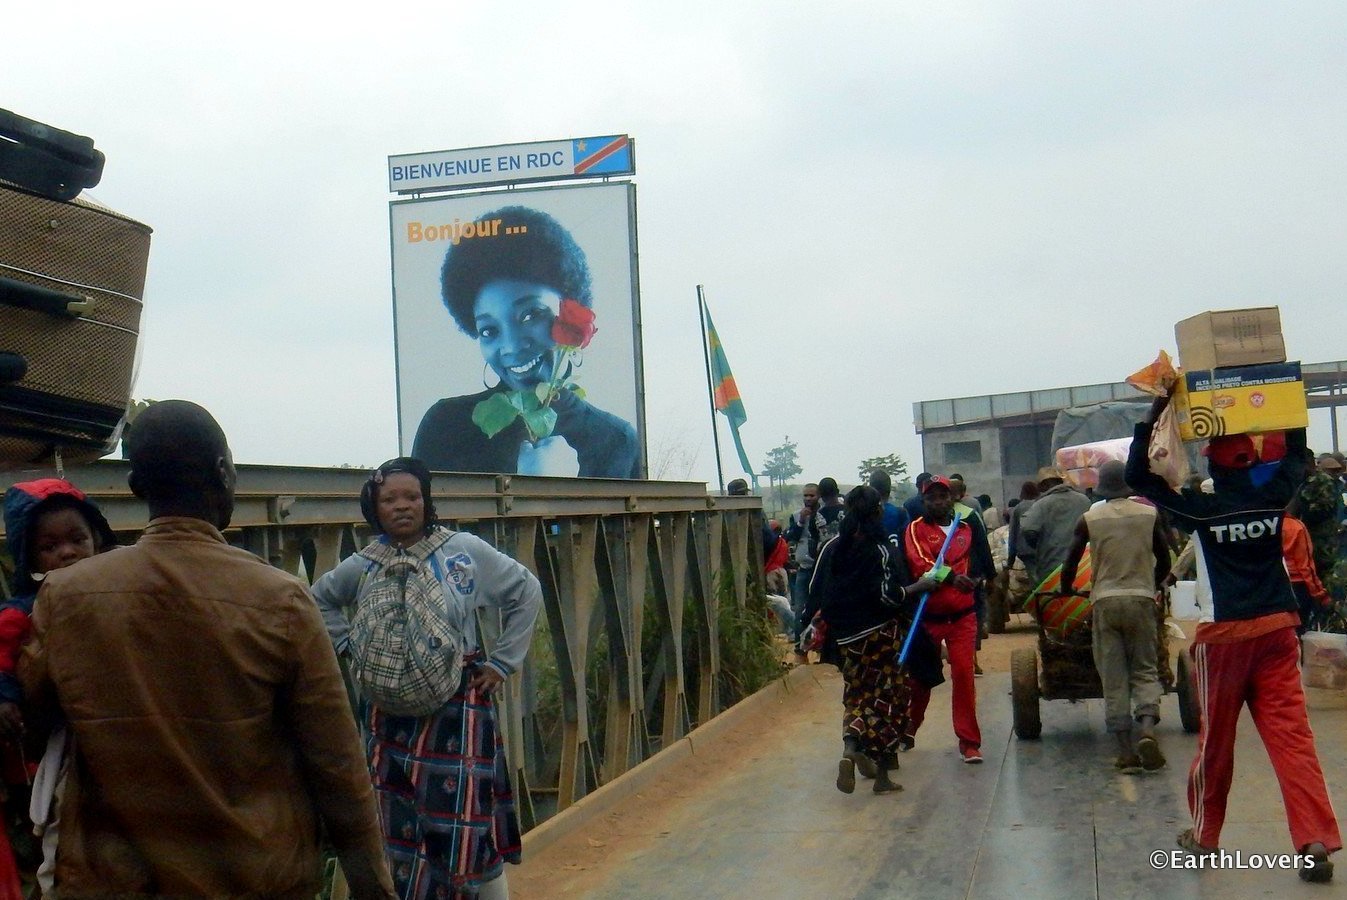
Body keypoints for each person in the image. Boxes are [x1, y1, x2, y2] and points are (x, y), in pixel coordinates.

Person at [19, 400, 394, 897]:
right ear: (223, 473)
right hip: (254, 877)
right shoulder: (280, 599)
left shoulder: (65, 597)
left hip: (114, 881)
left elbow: (34, 714)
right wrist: (374, 887)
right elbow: (337, 767)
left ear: (136, 487)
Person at [1127, 395, 1340, 882]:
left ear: (1213, 466)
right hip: (1277, 631)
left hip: (1224, 640)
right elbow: (1293, 458)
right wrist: (1280, 400)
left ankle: (1204, 839)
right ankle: (1313, 840)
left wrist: (1153, 414)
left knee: (1216, 744)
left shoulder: (1201, 511)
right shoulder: (1274, 500)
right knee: (1293, 741)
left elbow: (1139, 478)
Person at [313, 456, 542, 898]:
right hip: (388, 717)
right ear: (374, 507)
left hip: (457, 708)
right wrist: (348, 646)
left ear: (427, 500)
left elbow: (526, 590)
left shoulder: (463, 552)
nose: (402, 506)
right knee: (400, 826)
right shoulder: (364, 565)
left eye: (412, 497)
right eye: (389, 499)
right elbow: (319, 600)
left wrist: (501, 663)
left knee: (466, 824)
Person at [412, 205, 640, 478]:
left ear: (569, 308)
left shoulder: (615, 440)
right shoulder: (445, 428)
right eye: (489, 330)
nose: (511, 346)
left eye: (530, 315)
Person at [1, 479, 117, 896]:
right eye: (50, 547)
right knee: (61, 836)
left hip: (115, 739)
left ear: (97, 540)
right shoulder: (22, 613)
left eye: (77, 539)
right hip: (59, 745)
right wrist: (6, 697)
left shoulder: (118, 592)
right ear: (30, 556)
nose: (66, 552)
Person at [812, 486, 939, 794]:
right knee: (889, 699)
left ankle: (851, 747)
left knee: (857, 696)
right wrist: (920, 586)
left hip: (847, 638)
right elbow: (887, 595)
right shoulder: (879, 549)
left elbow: (824, 594)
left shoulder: (837, 549)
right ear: (877, 512)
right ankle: (882, 776)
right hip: (880, 635)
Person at [1056, 461, 1170, 773]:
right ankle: (1146, 729)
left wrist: (1067, 589)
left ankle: (1126, 753)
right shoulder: (1149, 515)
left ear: (1101, 488)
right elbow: (1164, 558)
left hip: (1105, 602)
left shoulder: (1090, 518)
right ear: (1129, 486)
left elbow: (1070, 562)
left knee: (1114, 675)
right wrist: (1154, 582)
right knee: (1145, 669)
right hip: (1142, 599)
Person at [901, 476, 986, 763]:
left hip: (963, 616)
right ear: (923, 501)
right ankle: (909, 727)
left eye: (942, 497)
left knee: (963, 675)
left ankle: (969, 742)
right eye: (931, 498)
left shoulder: (966, 528)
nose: (937, 502)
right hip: (928, 617)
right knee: (920, 679)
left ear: (952, 499)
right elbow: (921, 565)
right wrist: (951, 577)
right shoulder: (914, 529)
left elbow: (975, 565)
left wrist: (974, 580)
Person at [1019, 467, 1091, 588]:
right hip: (1083, 567)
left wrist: (1037, 544)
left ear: (1044, 484)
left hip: (1051, 567)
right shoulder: (1084, 501)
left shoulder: (1041, 505)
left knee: (1053, 603)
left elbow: (1028, 529)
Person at [867, 469, 910, 543]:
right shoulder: (900, 514)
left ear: (871, 489)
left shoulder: (863, 514)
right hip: (897, 553)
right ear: (889, 490)